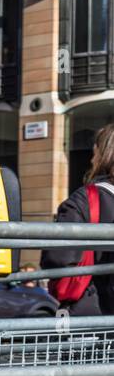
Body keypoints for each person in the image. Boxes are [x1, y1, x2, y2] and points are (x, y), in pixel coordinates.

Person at [41, 123, 114, 315]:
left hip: (92, 309)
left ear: (104, 155)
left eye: (95, 153)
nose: (91, 160)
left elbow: (58, 258)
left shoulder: (86, 199)